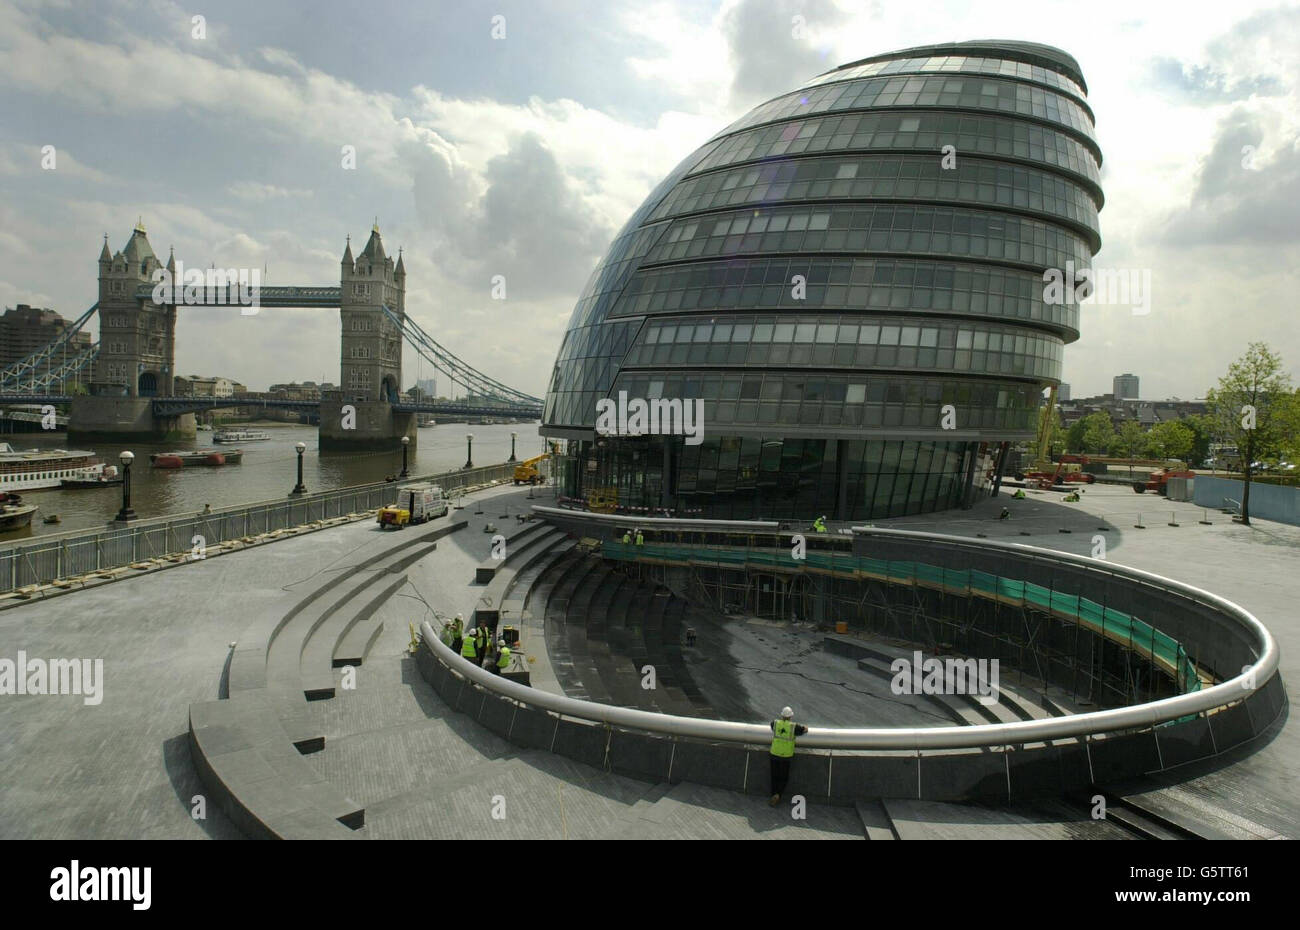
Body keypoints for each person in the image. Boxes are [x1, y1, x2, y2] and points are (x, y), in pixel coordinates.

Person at [769, 706, 808, 805]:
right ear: (791, 716)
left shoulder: (775, 723)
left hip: (774, 753)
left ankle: (773, 794)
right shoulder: (794, 727)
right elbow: (804, 730)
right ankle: (778, 794)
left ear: (782, 715)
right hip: (786, 756)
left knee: (774, 776)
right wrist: (806, 727)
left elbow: (771, 726)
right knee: (784, 777)